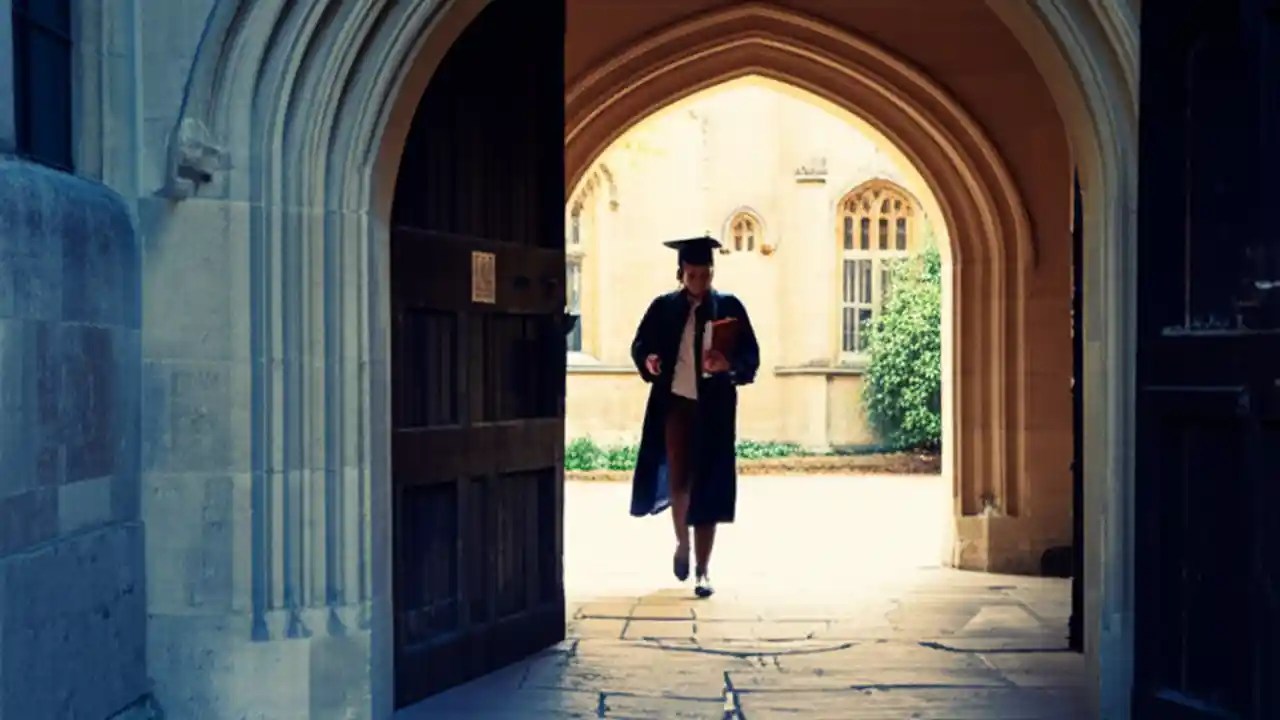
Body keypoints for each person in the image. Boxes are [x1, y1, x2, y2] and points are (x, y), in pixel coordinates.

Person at [629, 235, 760, 598]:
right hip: (674, 404)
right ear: (680, 273)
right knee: (679, 479)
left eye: (704, 274)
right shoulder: (663, 307)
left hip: (714, 408)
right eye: (692, 274)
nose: (699, 281)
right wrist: (649, 360)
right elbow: (641, 345)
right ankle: (681, 544)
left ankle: (703, 569)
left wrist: (727, 364)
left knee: (709, 486)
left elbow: (751, 357)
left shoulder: (729, 307)